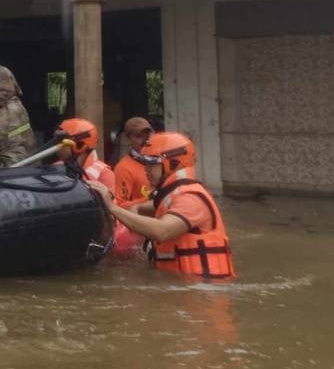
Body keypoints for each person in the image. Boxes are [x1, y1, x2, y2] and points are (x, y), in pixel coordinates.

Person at [90, 132, 236, 280]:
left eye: (152, 163)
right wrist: (134, 209)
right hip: (182, 283)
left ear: (173, 164)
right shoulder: (171, 197)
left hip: (203, 287)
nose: (145, 169)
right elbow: (148, 208)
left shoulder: (191, 198)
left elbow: (162, 231)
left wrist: (113, 208)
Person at [55, 118, 115, 189]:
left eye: (62, 143)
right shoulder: (56, 167)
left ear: (80, 146)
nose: (57, 146)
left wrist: (106, 195)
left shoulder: (104, 174)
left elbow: (109, 197)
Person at [113, 116, 154, 206]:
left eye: (147, 135)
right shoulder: (123, 168)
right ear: (128, 139)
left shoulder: (160, 161)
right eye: (139, 136)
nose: (145, 140)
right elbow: (120, 205)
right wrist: (151, 199)